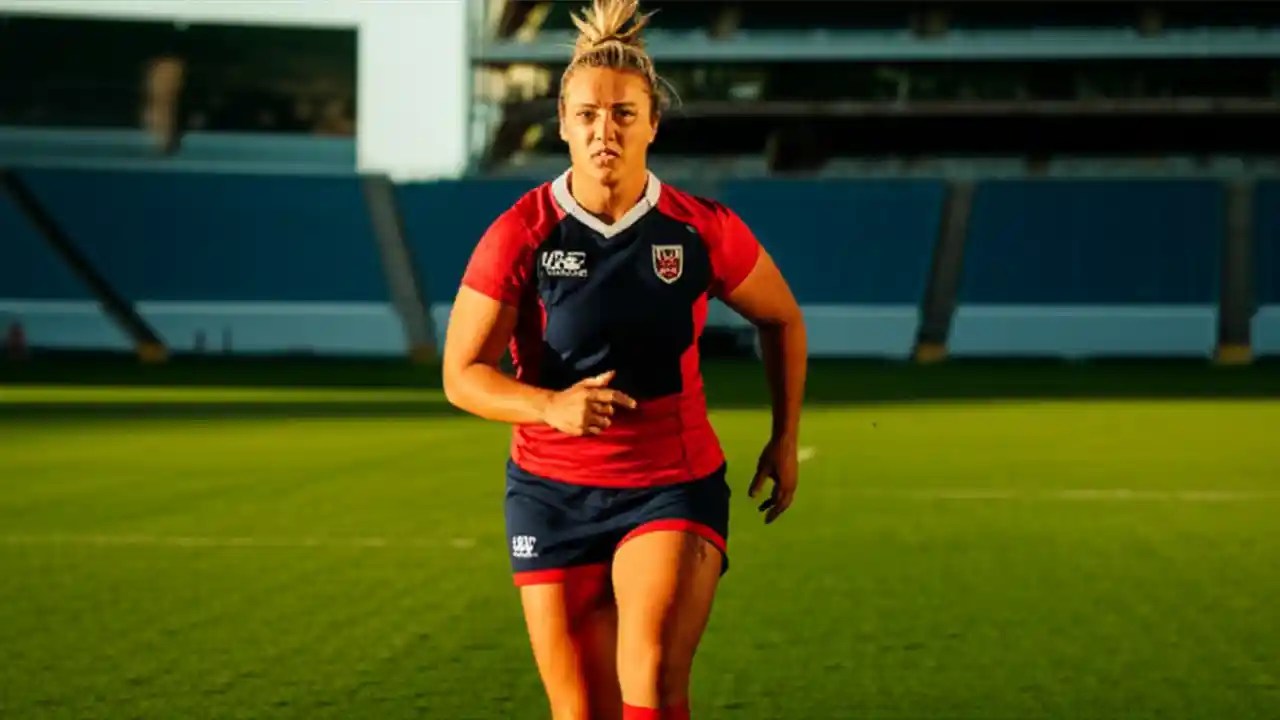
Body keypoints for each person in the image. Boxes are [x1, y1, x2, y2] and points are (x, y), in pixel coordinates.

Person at [441, 0, 808, 717]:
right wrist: (550, 405)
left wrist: (785, 437)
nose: (603, 131)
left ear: (652, 124)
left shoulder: (700, 229)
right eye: (586, 115)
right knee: (582, 709)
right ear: (562, 122)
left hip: (671, 485)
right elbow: (462, 375)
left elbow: (781, 318)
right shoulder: (520, 234)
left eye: (623, 114)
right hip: (550, 494)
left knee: (651, 682)